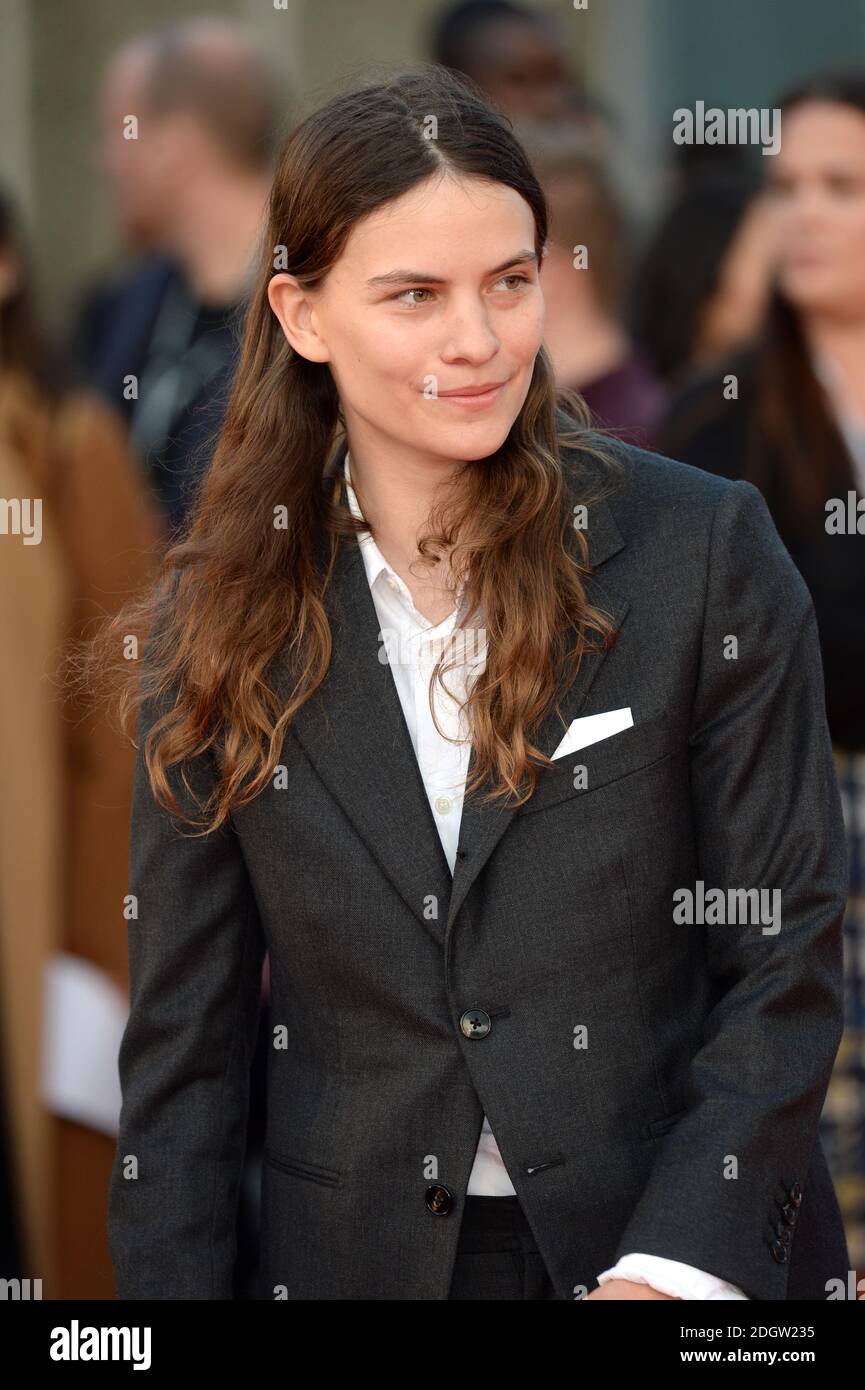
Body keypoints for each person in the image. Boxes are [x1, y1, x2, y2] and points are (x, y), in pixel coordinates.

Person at [98, 64, 849, 1300]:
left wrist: (670, 1270)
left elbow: (783, 951)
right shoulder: (218, 617)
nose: (479, 338)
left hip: (671, 1244)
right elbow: (184, 1054)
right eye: (415, 295)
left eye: (511, 281)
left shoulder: (699, 548)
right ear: (302, 315)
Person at [658, 66, 865, 1276]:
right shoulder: (716, 419)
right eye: (784, 185)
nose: (804, 214)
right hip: (780, 848)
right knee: (813, 1174)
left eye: (842, 185)